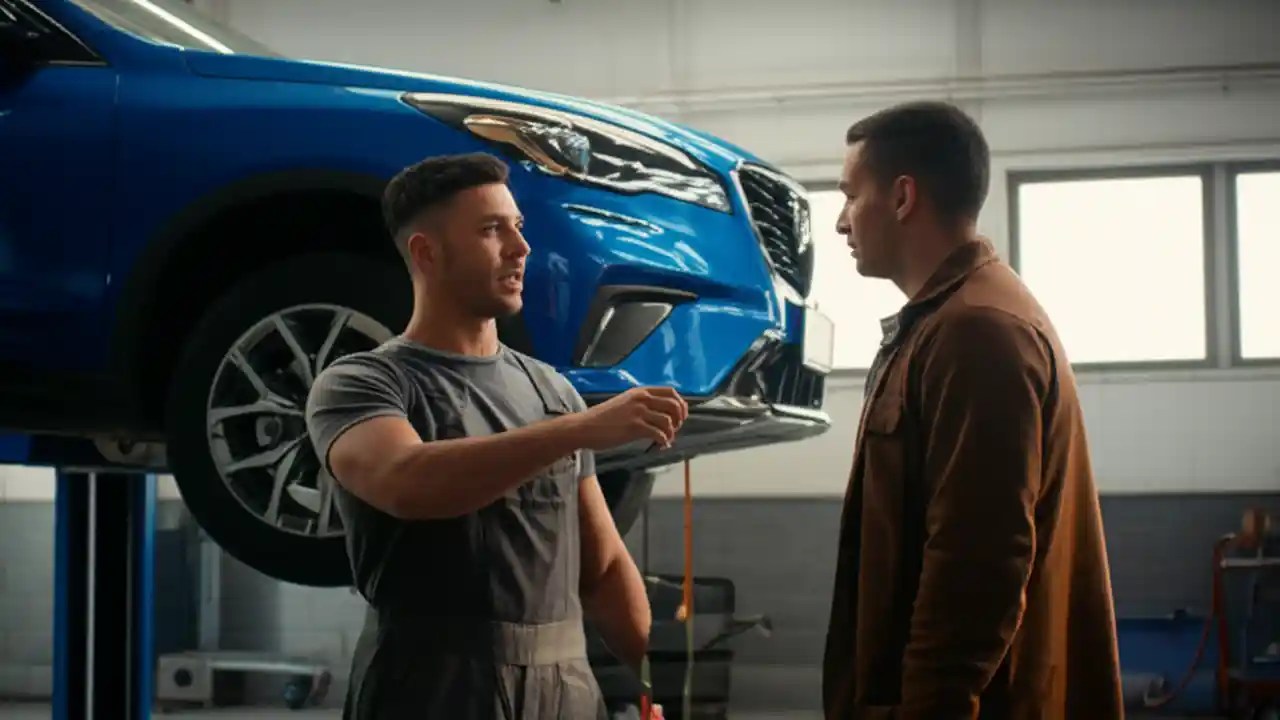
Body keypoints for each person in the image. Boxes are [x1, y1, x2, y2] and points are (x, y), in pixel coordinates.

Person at [304, 152, 683, 719]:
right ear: (426, 253)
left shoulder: (551, 391)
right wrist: (578, 429)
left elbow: (603, 569)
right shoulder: (362, 384)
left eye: (518, 227)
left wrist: (649, 686)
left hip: (566, 690)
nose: (520, 247)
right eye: (490, 230)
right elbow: (406, 482)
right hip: (430, 690)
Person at [820, 102, 1125, 719]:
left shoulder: (979, 331)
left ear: (902, 197)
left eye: (851, 196)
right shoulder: (946, 325)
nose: (840, 222)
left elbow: (976, 567)